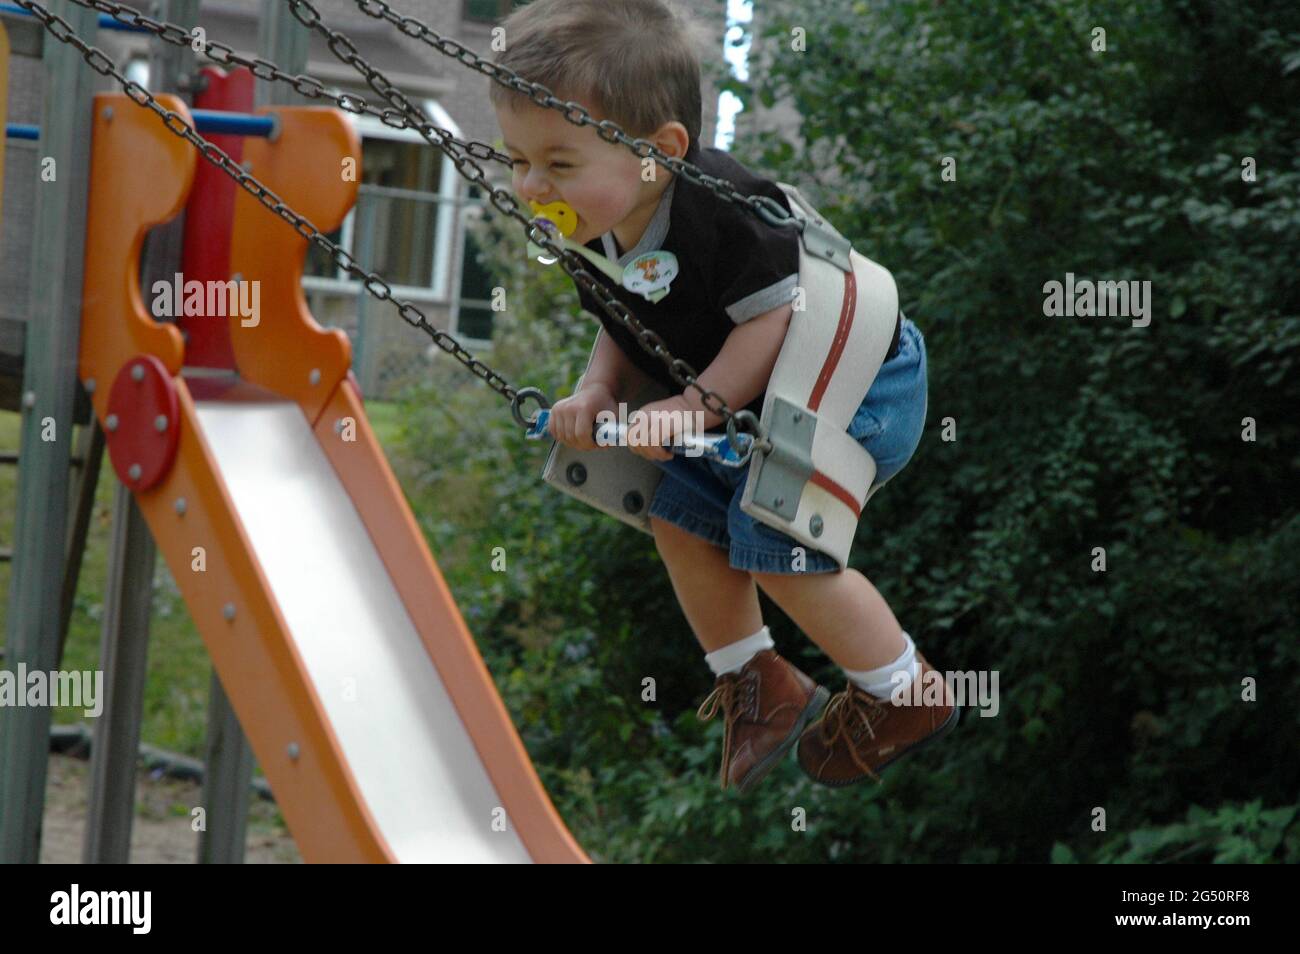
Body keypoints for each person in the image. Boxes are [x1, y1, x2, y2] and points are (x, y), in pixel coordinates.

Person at [490, 0, 957, 793]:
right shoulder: (588, 229)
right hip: (759, 406)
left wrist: (697, 406)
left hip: (856, 378)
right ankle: (760, 683)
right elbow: (625, 322)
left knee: (773, 537)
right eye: (516, 159)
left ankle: (907, 691)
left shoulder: (719, 204)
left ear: (659, 153)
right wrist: (595, 388)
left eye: (558, 163)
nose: (532, 186)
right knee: (677, 514)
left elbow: (781, 317)